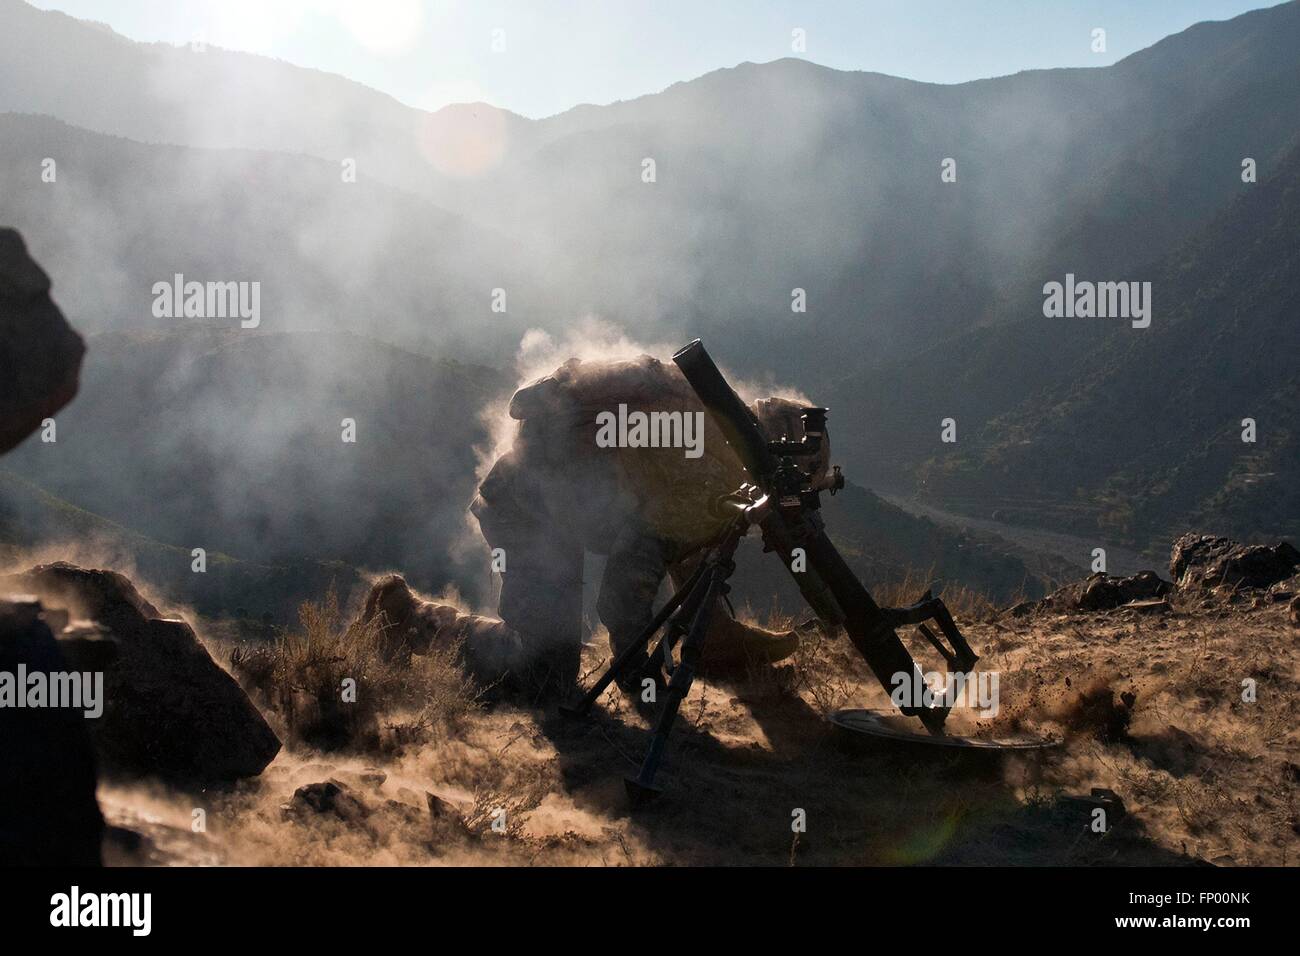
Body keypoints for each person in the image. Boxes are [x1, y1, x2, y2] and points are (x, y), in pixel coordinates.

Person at [465, 353, 832, 697]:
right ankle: (428, 620)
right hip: (523, 512)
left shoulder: (715, 438)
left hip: (564, 511)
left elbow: (690, 547)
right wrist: (636, 670)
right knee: (546, 673)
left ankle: (715, 643)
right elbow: (623, 590)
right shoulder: (698, 427)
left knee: (701, 527)